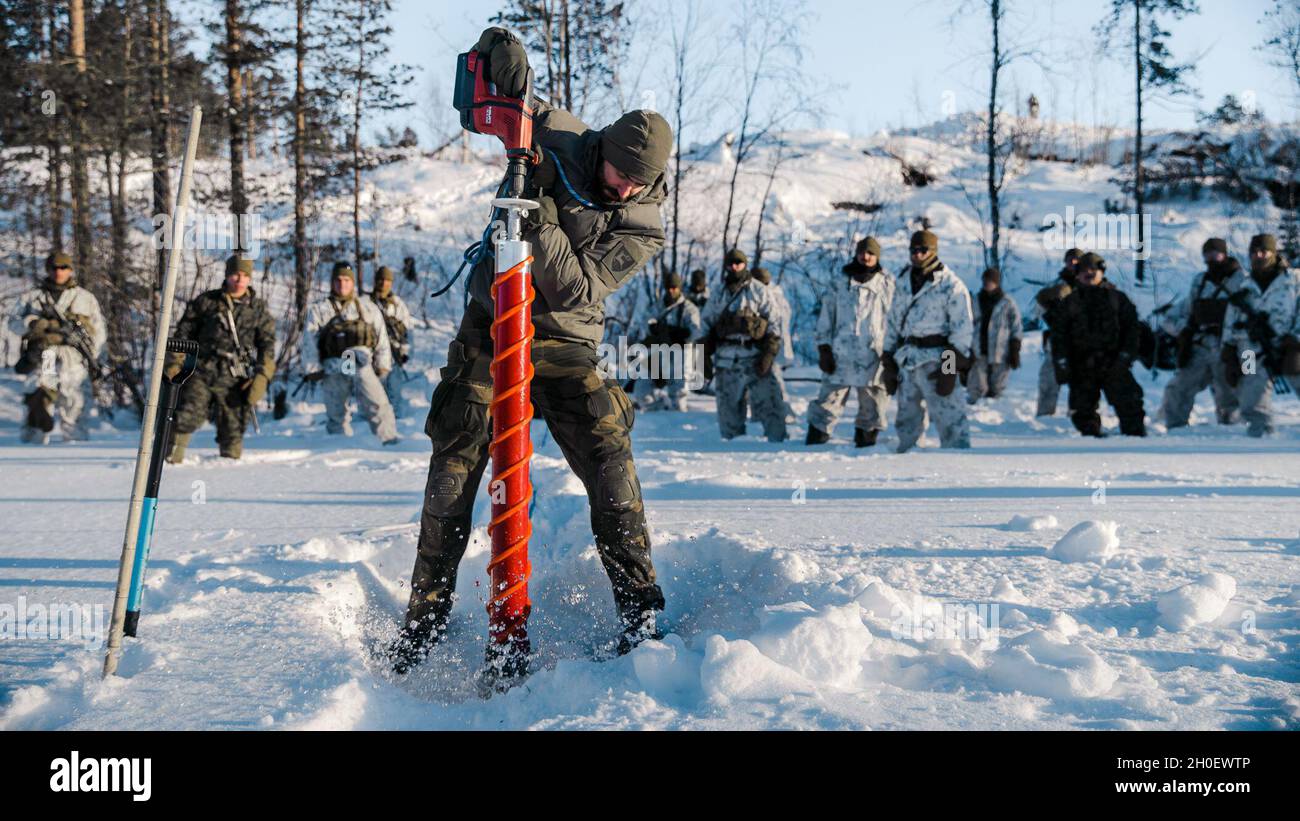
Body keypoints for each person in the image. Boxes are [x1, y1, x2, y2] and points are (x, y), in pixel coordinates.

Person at [390, 26, 672, 673]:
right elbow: (484, 105)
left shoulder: (644, 224)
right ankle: (425, 620)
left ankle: (641, 610)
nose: (623, 188)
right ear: (601, 147)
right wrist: (498, 53)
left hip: (565, 346)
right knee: (456, 457)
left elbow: (575, 287)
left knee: (609, 453)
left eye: (638, 182)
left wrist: (536, 210)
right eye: (618, 173)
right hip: (492, 327)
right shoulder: (558, 135)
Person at [166, 255, 277, 461]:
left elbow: (267, 346)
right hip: (202, 369)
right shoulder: (207, 302)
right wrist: (174, 364)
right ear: (227, 275)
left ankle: (229, 469)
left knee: (233, 427)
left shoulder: (258, 309)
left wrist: (262, 376)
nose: (239, 279)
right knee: (185, 416)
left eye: (245, 275)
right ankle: (170, 460)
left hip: (236, 375)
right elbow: (183, 335)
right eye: (235, 274)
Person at [880, 230, 974, 452]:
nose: (918, 255)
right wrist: (888, 359)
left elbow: (962, 331)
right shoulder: (902, 282)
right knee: (906, 421)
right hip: (909, 359)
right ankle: (908, 464)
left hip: (938, 361)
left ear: (934, 251)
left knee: (951, 420)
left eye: (923, 250)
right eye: (914, 250)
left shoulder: (950, 285)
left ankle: (960, 468)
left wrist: (949, 369)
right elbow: (893, 321)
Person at [806, 236, 894, 447]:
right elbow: (826, 317)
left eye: (871, 253)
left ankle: (865, 451)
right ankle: (814, 446)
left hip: (873, 357)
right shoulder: (839, 284)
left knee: (873, 407)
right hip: (840, 356)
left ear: (877, 257)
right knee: (826, 405)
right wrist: (824, 349)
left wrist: (892, 355)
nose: (866, 256)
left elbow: (895, 321)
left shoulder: (887, 285)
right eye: (862, 252)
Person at [9, 252, 106, 443]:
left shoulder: (85, 298)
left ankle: (76, 456)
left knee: (75, 407)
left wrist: (95, 359)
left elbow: (99, 333)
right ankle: (32, 454)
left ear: (70, 270)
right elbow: (12, 322)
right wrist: (31, 323)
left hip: (74, 359)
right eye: (54, 267)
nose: (58, 272)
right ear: (47, 269)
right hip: (44, 356)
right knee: (38, 402)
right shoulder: (33, 297)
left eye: (63, 267)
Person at [1050, 252, 1146, 437]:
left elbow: (1132, 331)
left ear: (1101, 272)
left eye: (1093, 269)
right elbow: (1059, 337)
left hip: (1114, 362)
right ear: (1077, 274)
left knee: (1130, 405)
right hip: (1081, 365)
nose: (1089, 273)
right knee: (1082, 410)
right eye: (1084, 270)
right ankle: (1091, 445)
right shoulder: (1069, 303)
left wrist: (1126, 357)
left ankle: (1136, 442)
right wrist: (1062, 363)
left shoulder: (1117, 299)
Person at [697, 248, 786, 442]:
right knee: (728, 410)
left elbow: (774, 323)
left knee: (771, 405)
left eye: (739, 263)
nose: (735, 267)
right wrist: (703, 355)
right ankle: (731, 450)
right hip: (726, 359)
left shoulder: (758, 290)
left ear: (745, 264)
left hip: (754, 357)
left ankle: (777, 447)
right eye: (731, 264)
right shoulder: (719, 293)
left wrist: (768, 355)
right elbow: (705, 324)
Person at [305, 261, 398, 445]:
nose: (342, 284)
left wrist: (383, 364)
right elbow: (309, 341)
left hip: (361, 363)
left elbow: (381, 338)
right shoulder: (319, 309)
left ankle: (389, 442)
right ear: (332, 282)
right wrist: (312, 368)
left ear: (352, 282)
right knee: (335, 411)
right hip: (333, 365)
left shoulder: (367, 307)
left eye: (347, 280)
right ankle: (337, 446)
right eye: (338, 280)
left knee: (378, 406)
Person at [1158, 238, 1245, 428]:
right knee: (1177, 388)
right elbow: (1176, 315)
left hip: (1229, 348)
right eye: (1208, 254)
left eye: (1217, 253)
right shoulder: (1200, 282)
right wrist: (1184, 330)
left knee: (1230, 396)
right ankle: (1175, 430)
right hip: (1201, 346)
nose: (1212, 258)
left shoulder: (1241, 281)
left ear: (1225, 254)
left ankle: (1233, 436)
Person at [1220, 233, 1300, 437]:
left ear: (1273, 253)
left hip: (1288, 345)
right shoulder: (1243, 287)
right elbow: (1230, 319)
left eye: (1264, 251)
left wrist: (1295, 339)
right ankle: (1260, 436)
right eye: (1254, 252)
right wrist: (1228, 351)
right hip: (1248, 350)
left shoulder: (1294, 281)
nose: (1259, 255)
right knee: (1250, 393)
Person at [634, 271, 702, 411]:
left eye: (674, 288)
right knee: (641, 391)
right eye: (669, 288)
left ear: (679, 288)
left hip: (681, 354)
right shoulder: (658, 307)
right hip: (659, 352)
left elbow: (697, 332)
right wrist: (653, 328)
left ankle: (677, 421)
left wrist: (683, 333)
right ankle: (659, 413)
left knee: (678, 395)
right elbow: (645, 323)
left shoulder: (689, 309)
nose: (671, 291)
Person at [1032, 248, 1081, 416]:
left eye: (1076, 260)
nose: (1073, 263)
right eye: (1070, 260)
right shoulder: (1055, 285)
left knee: (1081, 381)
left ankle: (1079, 417)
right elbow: (1037, 311)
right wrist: (1049, 310)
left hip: (1081, 341)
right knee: (1048, 379)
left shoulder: (1089, 285)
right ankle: (1044, 416)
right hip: (1056, 340)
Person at [966, 267, 1022, 403]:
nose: (987, 283)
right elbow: (966, 324)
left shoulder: (1008, 303)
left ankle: (993, 414)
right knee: (977, 387)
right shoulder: (974, 300)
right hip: (978, 350)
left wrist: (1015, 349)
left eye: (991, 281)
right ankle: (976, 412)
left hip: (1001, 352)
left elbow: (1017, 327)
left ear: (997, 282)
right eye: (985, 280)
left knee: (997, 389)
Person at [367, 265, 414, 418]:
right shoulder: (367, 303)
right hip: (373, 355)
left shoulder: (397, 304)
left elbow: (408, 331)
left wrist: (405, 352)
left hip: (394, 355)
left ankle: (397, 420)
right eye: (381, 279)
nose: (384, 283)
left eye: (387, 280)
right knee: (375, 392)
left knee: (394, 390)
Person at [751, 265, 795, 423]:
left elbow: (778, 327)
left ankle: (784, 413)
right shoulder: (777, 295)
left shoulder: (770, 296)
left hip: (772, 347)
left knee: (774, 382)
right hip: (772, 347)